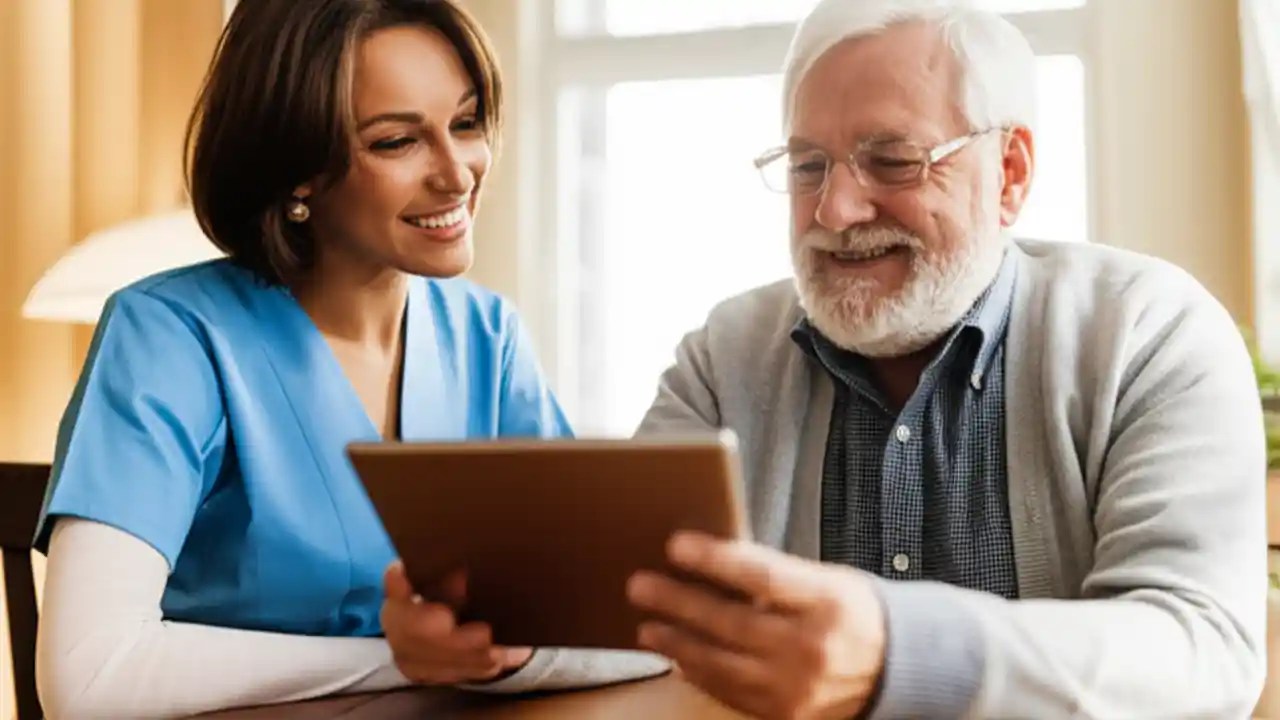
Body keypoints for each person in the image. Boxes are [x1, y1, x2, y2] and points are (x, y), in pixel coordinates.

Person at [615, 1, 1265, 718]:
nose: (835, 211)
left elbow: (1202, 650)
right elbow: (622, 609)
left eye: (891, 161)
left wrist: (901, 653)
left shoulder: (1149, 332)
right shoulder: (724, 356)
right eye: (807, 167)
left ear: (1009, 172)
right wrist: (500, 646)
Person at [32, 1, 662, 718]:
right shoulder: (170, 336)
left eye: (465, 123)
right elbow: (88, 678)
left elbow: (625, 618)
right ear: (296, 167)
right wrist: (405, 660)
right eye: (397, 141)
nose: (458, 175)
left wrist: (501, 661)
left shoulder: (488, 339)